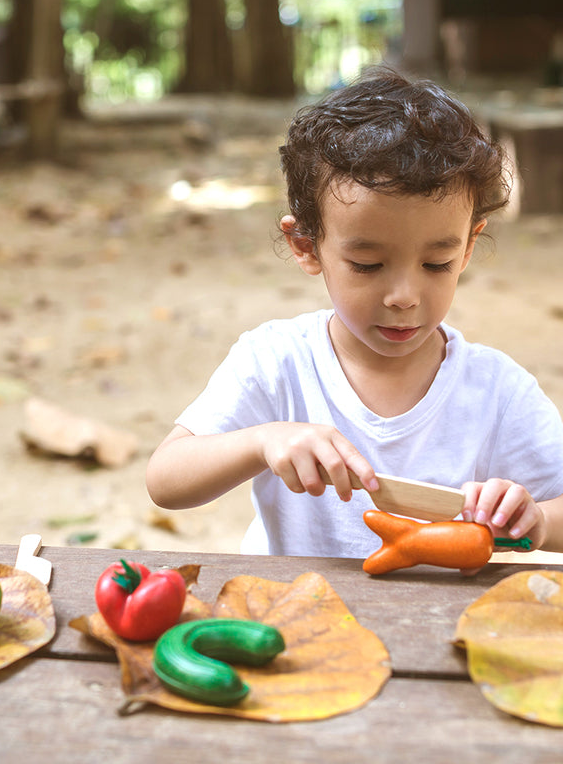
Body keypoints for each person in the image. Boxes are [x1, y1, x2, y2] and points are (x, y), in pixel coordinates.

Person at [146, 68, 563, 559]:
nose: (404, 296)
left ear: (469, 246)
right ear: (306, 245)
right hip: (296, 616)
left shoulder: (495, 391)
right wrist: (263, 441)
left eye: (437, 263)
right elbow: (165, 480)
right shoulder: (277, 362)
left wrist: (534, 519)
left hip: (439, 626)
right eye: (367, 265)